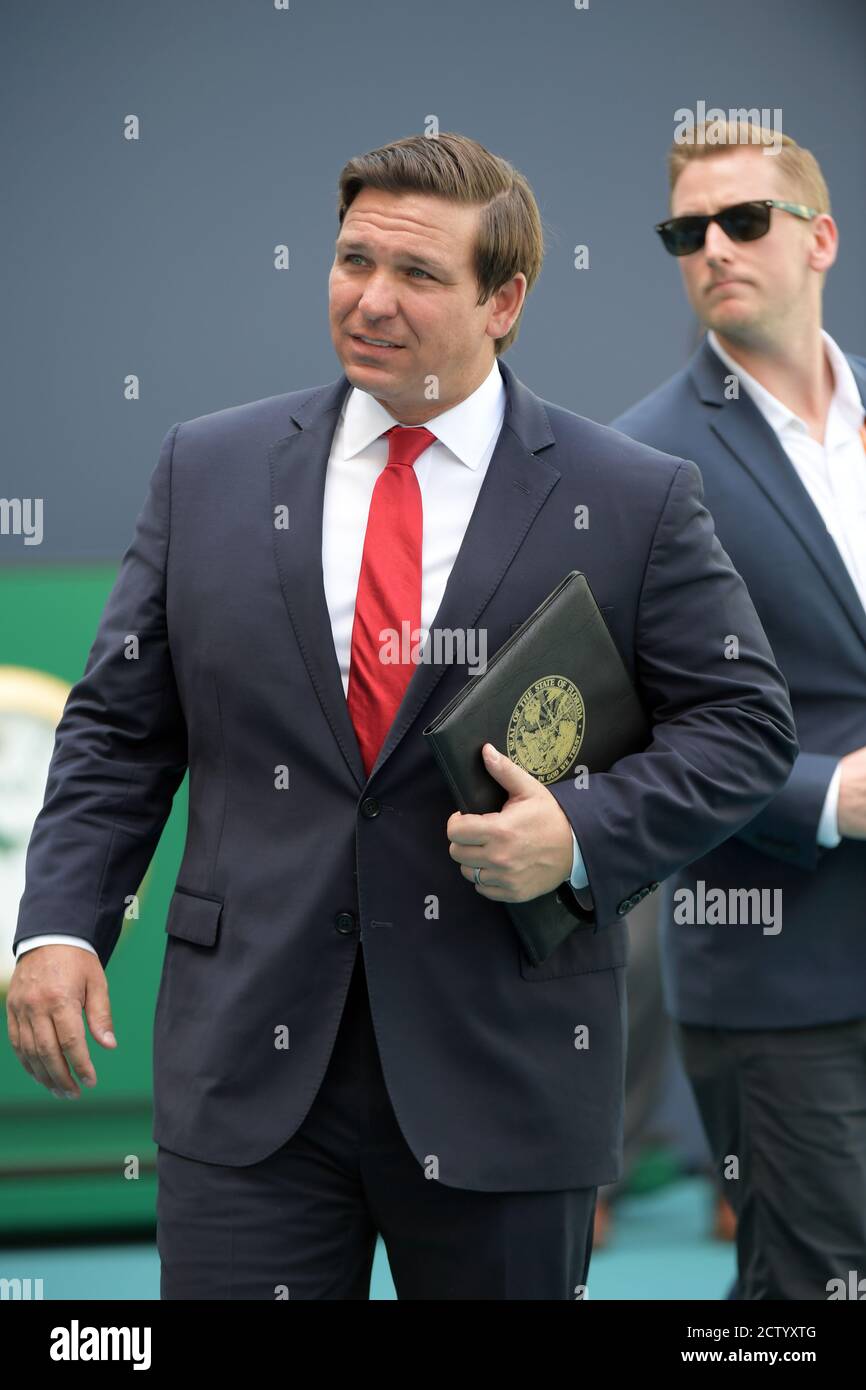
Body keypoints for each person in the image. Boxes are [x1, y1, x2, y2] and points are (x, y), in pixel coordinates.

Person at [8, 132, 796, 1301]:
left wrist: (577, 833)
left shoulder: (627, 497)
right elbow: (121, 730)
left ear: (503, 301)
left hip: (506, 1079)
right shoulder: (204, 470)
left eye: (417, 274)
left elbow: (742, 726)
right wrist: (60, 925)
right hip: (246, 1082)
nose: (370, 298)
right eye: (351, 261)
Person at [612, 120, 866, 1300]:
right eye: (685, 230)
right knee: (808, 1288)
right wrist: (821, 794)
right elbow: (634, 742)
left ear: (818, 239)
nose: (711, 246)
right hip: (774, 977)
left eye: (743, 220)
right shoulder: (637, 467)